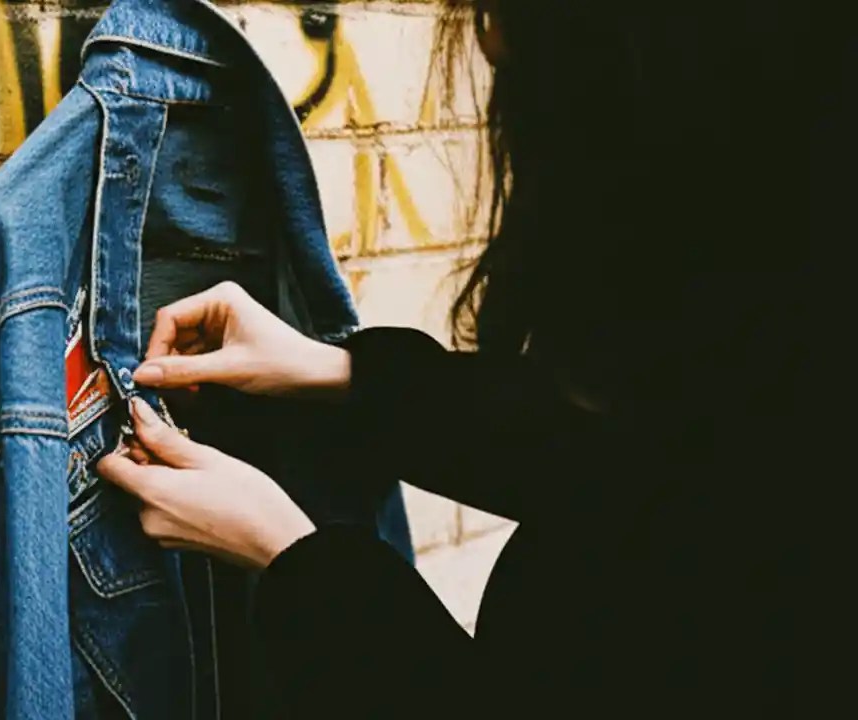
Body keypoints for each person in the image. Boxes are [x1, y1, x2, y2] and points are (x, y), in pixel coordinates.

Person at [97, 1, 817, 716]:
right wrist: (339, 373)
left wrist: (289, 555)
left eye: (524, 77)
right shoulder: (768, 336)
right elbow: (632, 456)